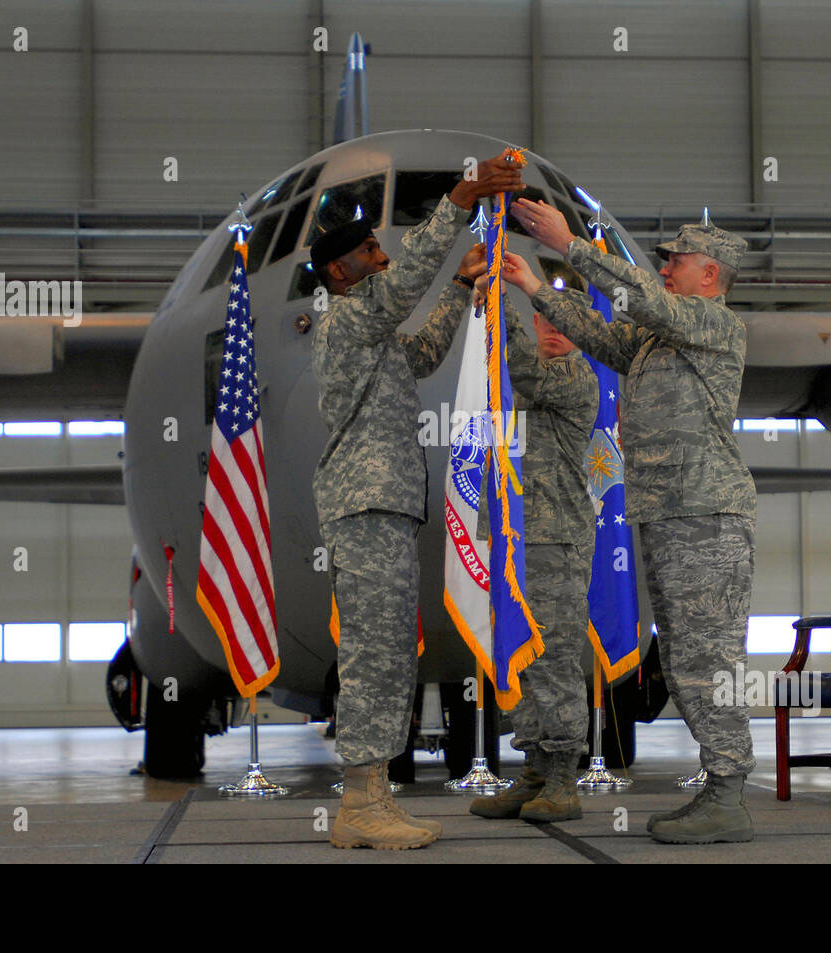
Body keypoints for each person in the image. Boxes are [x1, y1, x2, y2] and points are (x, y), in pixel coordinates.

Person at [505, 202, 757, 844]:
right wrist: (535, 288)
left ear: (710, 274)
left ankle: (728, 793)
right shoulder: (658, 338)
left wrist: (574, 243)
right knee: (681, 653)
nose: (665, 266)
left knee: (710, 655)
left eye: (676, 259)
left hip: (706, 513)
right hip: (671, 513)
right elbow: (599, 333)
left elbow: (640, 298)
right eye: (666, 258)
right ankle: (717, 786)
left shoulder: (711, 322)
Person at [311, 150, 523, 850]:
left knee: (390, 652)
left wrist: (462, 288)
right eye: (370, 247)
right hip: (367, 507)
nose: (381, 253)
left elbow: (424, 350)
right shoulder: (347, 316)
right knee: (374, 655)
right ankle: (359, 804)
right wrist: (461, 199)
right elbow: (402, 294)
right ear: (340, 270)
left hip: (387, 507)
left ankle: (372, 796)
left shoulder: (372, 331)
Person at [467, 281, 598, 824]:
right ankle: (536, 769)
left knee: (556, 657)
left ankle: (565, 775)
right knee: (522, 656)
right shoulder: (527, 383)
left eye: (560, 318)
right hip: (516, 539)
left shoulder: (573, 377)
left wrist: (501, 304)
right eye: (541, 316)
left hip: (554, 539)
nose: (550, 326)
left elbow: (521, 368)